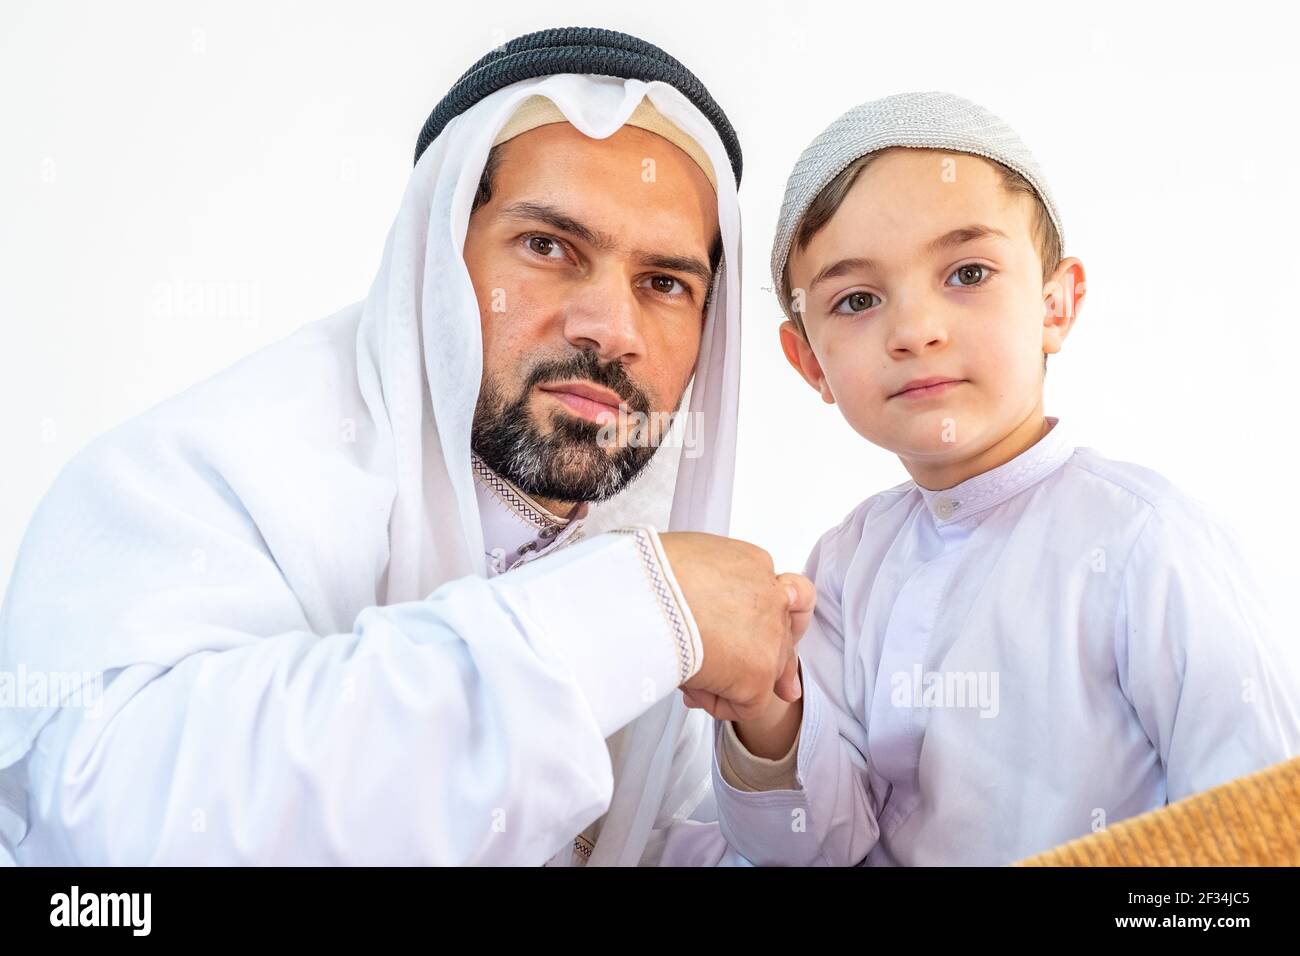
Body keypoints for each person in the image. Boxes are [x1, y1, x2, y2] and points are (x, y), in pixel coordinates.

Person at [0, 27, 812, 866]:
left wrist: (777, 747)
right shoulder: (188, 478)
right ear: (434, 264)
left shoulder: (648, 579)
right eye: (548, 247)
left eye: (665, 284)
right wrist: (634, 613)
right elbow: (111, 822)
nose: (610, 331)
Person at [699, 91, 1300, 866]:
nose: (916, 330)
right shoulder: (845, 562)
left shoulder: (1146, 542)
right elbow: (815, 847)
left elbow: (1262, 827)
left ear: (1056, 304)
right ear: (810, 361)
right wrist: (762, 709)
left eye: (968, 272)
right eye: (857, 299)